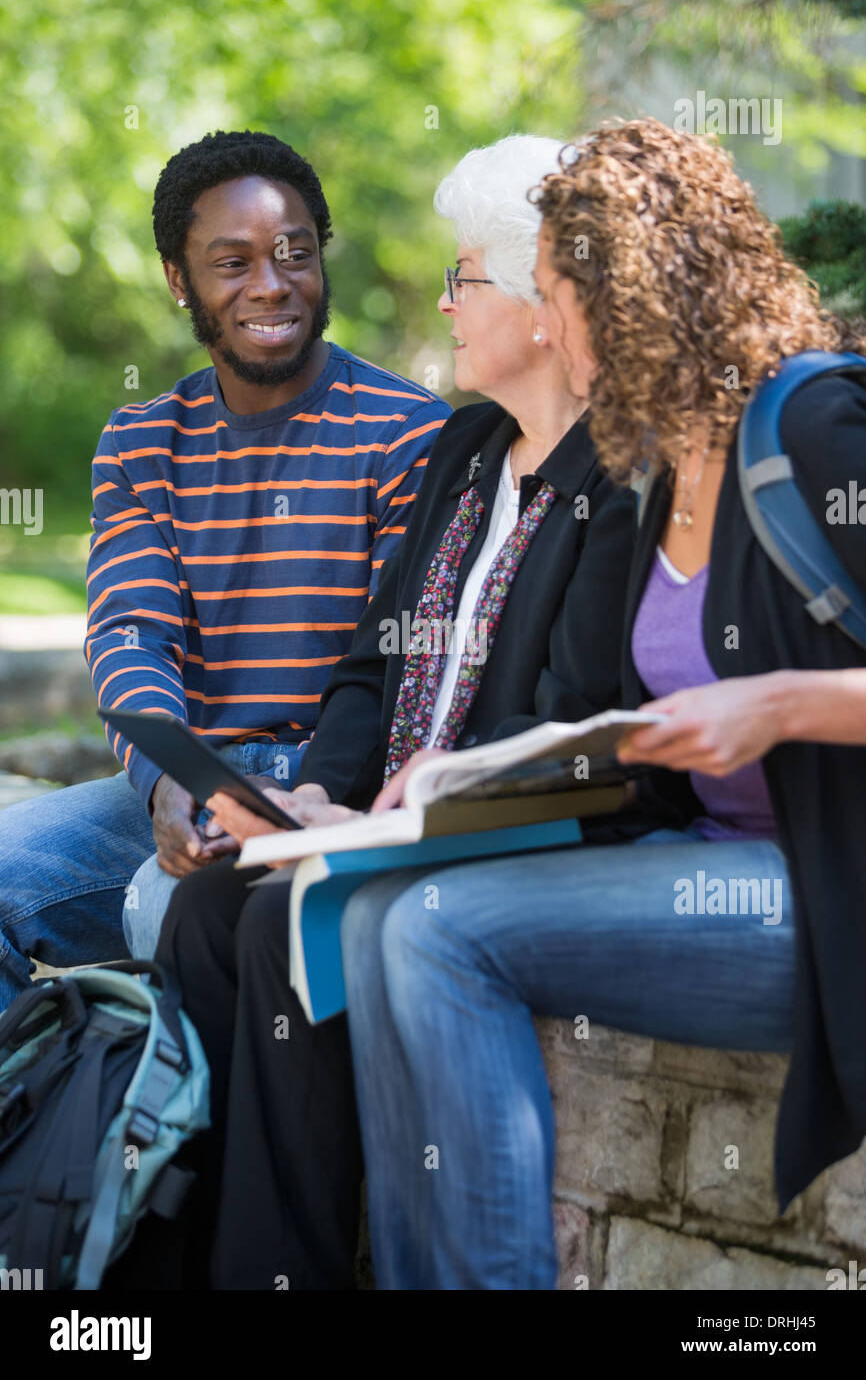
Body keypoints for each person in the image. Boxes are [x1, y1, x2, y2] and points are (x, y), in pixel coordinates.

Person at [337, 117, 866, 1289]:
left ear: (629, 292)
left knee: (435, 929)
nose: (550, 317)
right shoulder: (655, 467)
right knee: (376, 914)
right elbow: (617, 733)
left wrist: (779, 702)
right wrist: (466, 780)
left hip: (820, 895)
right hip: (699, 859)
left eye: (560, 289)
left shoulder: (814, 429)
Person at [151, 134, 638, 1289]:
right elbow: (374, 667)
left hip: (517, 822)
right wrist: (320, 790)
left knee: (284, 923)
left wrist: (401, 809)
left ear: (540, 301)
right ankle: (201, 1260)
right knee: (209, 910)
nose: (443, 301)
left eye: (465, 276)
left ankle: (293, 1269)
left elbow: (574, 719)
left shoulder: (623, 475)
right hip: (394, 812)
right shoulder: (466, 453)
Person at [0, 129, 449, 1008]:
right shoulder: (142, 443)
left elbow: (396, 659)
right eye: (231, 262)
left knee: (186, 918)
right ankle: (55, 1121)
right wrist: (170, 778)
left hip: (336, 794)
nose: (271, 284)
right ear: (180, 280)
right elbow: (132, 635)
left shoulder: (408, 430)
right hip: (189, 785)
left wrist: (309, 793)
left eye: (294, 253)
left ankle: (176, 1132)